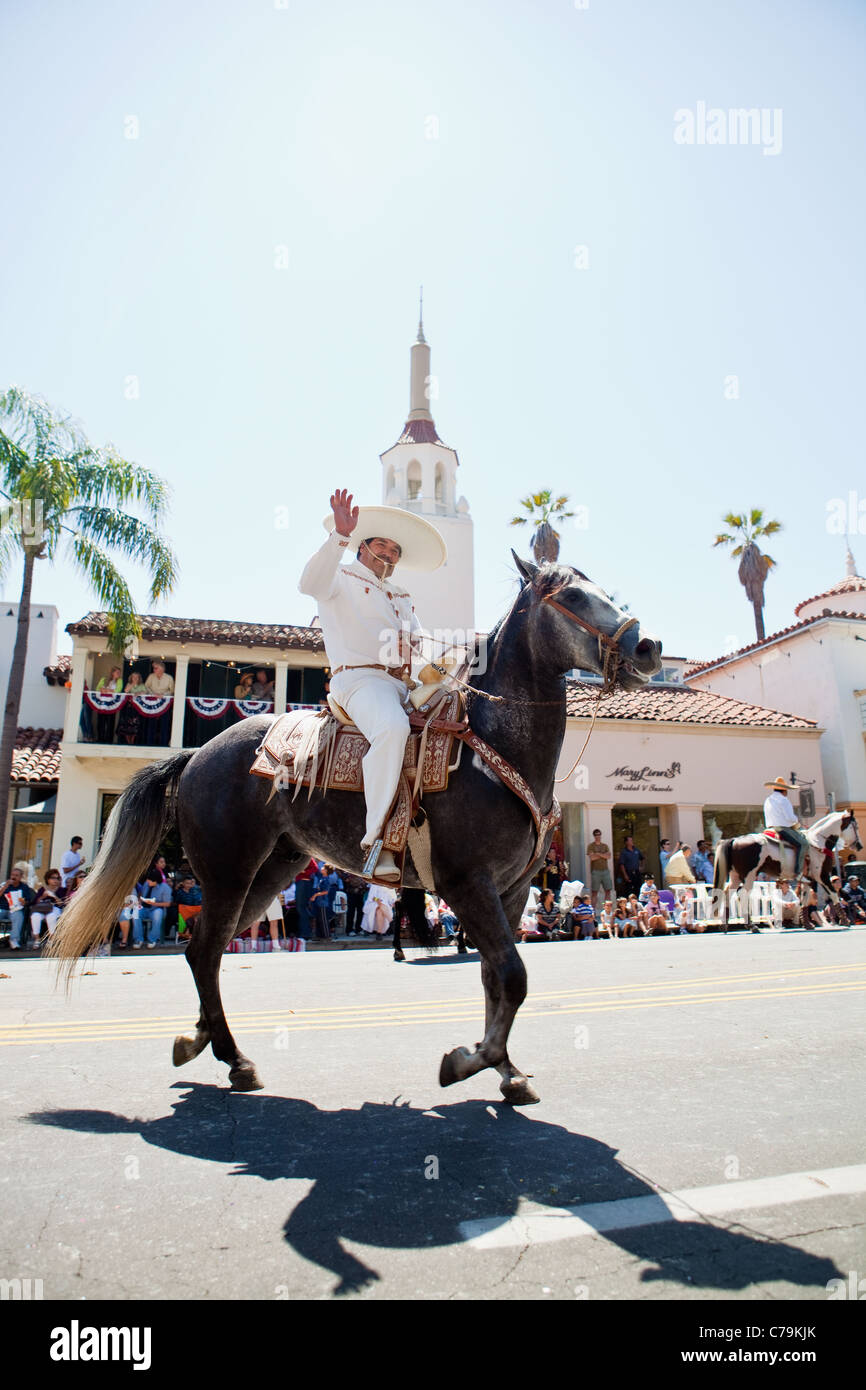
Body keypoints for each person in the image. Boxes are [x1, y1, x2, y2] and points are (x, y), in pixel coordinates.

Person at [298, 487, 445, 881]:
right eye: (382, 543)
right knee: (394, 728)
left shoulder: (401, 594)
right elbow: (309, 584)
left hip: (404, 683)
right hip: (360, 680)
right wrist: (339, 537)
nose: (390, 553)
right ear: (362, 546)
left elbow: (421, 638)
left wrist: (420, 647)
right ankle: (378, 840)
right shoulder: (339, 575)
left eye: (396, 550)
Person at [763, 775, 808, 881]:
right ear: (784, 790)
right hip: (782, 829)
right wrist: (797, 821)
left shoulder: (768, 800)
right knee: (803, 844)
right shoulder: (783, 800)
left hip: (769, 828)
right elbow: (790, 818)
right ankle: (799, 872)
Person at [0, 867, 37, 948]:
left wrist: (24, 902)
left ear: (20, 877)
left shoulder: (24, 887)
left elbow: (28, 901)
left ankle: (14, 940)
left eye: (16, 875)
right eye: (12, 875)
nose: (14, 877)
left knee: (18, 915)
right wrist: (5, 886)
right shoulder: (4, 885)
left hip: (15, 910)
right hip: (2, 908)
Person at [135, 873, 172, 947]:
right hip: (144, 908)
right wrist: (139, 902)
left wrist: (154, 904)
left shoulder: (165, 888)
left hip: (157, 909)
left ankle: (152, 939)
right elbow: (141, 896)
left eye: (149, 880)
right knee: (135, 913)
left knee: (157, 915)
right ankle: (138, 939)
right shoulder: (146, 884)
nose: (148, 881)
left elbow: (168, 904)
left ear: (156, 881)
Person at [30, 869, 66, 945]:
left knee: (51, 916)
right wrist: (43, 896)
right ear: (47, 879)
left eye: (57, 878)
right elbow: (35, 902)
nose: (55, 880)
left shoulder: (61, 890)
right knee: (35, 916)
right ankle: (37, 939)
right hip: (42, 909)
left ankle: (51, 939)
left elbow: (62, 904)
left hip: (54, 909)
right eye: (53, 878)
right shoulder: (42, 889)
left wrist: (54, 896)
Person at [144, 660, 175, 745]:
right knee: (151, 723)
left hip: (165, 702)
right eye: (154, 668)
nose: (154, 670)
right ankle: (150, 743)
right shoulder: (151, 676)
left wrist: (163, 695)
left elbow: (172, 691)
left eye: (156, 668)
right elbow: (146, 687)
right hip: (152, 702)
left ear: (162, 669)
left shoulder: (169, 678)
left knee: (164, 723)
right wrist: (153, 694)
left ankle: (163, 743)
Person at [95, 665, 124, 742]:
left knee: (110, 722)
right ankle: (100, 739)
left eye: (119, 672)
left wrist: (106, 690)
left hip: (111, 705)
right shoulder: (104, 679)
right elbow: (98, 688)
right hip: (102, 704)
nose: (118, 674)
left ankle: (109, 740)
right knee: (101, 722)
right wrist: (103, 689)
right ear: (112, 673)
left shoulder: (119, 681)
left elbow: (118, 690)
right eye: (117, 672)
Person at [116, 670, 146, 745]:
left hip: (137, 707)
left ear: (139, 678)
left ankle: (132, 742)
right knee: (127, 725)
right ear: (131, 678)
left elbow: (145, 692)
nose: (135, 679)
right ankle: (128, 742)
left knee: (135, 725)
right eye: (134, 677)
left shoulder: (142, 685)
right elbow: (126, 691)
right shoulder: (129, 684)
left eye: (137, 677)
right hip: (129, 707)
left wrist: (138, 693)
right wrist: (132, 685)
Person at [587, 829, 613, 910]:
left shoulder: (605, 846)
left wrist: (597, 854)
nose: (598, 836)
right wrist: (603, 855)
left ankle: (606, 909)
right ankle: (593, 911)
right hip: (596, 871)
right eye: (596, 835)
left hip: (605, 870)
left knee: (608, 891)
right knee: (594, 892)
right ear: (594, 836)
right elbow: (592, 858)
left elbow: (608, 856)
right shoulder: (591, 846)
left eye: (599, 834)